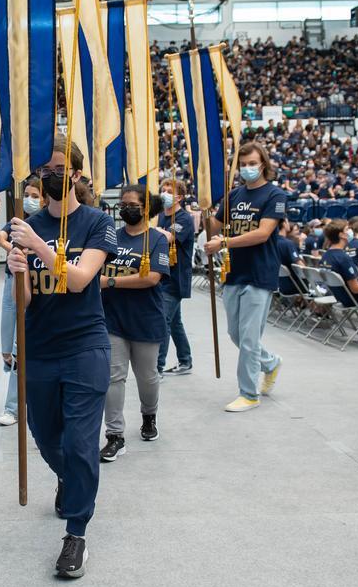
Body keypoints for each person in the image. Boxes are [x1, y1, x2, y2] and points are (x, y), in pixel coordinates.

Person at [5, 136, 117, 578]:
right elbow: (28, 300)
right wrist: (18, 271)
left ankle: (76, 533)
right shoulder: (28, 224)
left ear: (75, 173)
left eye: (57, 168)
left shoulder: (96, 222)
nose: (49, 176)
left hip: (85, 346)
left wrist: (36, 245)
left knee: (80, 442)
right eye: (43, 170)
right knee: (46, 435)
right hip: (41, 348)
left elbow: (79, 278)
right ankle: (70, 480)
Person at [204, 142, 286, 412]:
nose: (248, 168)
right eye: (244, 164)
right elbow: (214, 225)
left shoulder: (274, 195)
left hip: (260, 273)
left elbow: (263, 234)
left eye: (253, 163)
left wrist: (225, 241)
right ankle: (271, 362)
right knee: (236, 334)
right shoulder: (234, 195)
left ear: (263, 164)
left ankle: (249, 393)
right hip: (233, 272)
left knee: (249, 338)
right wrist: (206, 209)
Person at [99, 185, 170, 462]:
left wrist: (112, 281)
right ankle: (115, 435)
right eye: (123, 205)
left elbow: (152, 278)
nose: (127, 209)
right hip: (112, 319)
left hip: (146, 321)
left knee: (147, 377)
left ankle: (149, 416)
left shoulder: (157, 240)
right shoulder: (111, 238)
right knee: (113, 378)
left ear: (146, 208)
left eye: (133, 204)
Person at [0, 178, 43, 426]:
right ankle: (15, 401)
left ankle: (13, 406)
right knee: (9, 347)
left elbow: (31, 254)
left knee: (24, 346)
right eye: (27, 194)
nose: (30, 199)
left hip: (37, 284)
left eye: (35, 194)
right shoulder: (17, 221)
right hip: (14, 283)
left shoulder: (45, 225)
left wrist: (5, 244)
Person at [155, 178, 195, 377]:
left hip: (176, 278)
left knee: (163, 321)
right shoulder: (162, 216)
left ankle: (157, 368)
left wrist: (151, 230)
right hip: (163, 276)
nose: (165, 193)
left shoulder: (184, 218)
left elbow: (169, 237)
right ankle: (185, 360)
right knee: (174, 322)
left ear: (179, 196)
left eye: (169, 190)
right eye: (163, 189)